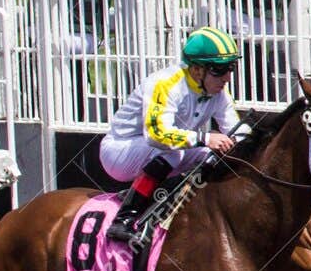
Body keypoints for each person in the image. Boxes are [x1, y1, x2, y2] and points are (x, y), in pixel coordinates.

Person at [99, 26, 243, 246]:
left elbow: (237, 129)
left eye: (231, 68)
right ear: (197, 70)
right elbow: (157, 135)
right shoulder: (166, 84)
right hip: (119, 152)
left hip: (156, 151)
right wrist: (205, 137)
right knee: (176, 152)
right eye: (220, 69)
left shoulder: (218, 91)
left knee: (212, 155)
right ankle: (124, 219)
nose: (227, 77)